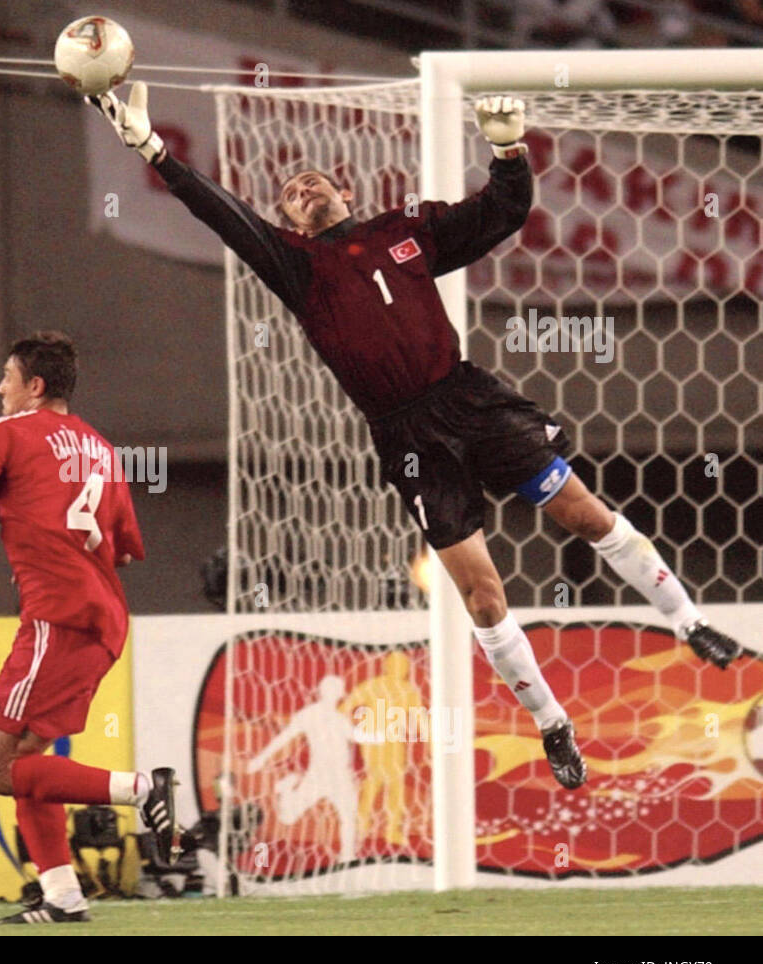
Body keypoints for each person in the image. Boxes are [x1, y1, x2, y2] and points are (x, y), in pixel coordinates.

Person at [89, 86, 741, 790]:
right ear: (291, 222)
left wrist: (509, 151)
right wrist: (156, 151)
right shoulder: (300, 270)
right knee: (484, 597)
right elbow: (226, 215)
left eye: (314, 180)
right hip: (408, 438)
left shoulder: (407, 232)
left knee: (584, 514)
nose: (304, 189)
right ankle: (553, 721)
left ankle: (686, 620)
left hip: (471, 400)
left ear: (344, 189)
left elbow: (503, 211)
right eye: (290, 193)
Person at [0, 330, 176, 924]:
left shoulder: (9, 433)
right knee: (29, 759)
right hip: (102, 618)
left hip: (58, 618)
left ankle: (143, 791)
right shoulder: (101, 449)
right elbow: (123, 550)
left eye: (6, 376)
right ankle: (62, 897)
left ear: (35, 386)